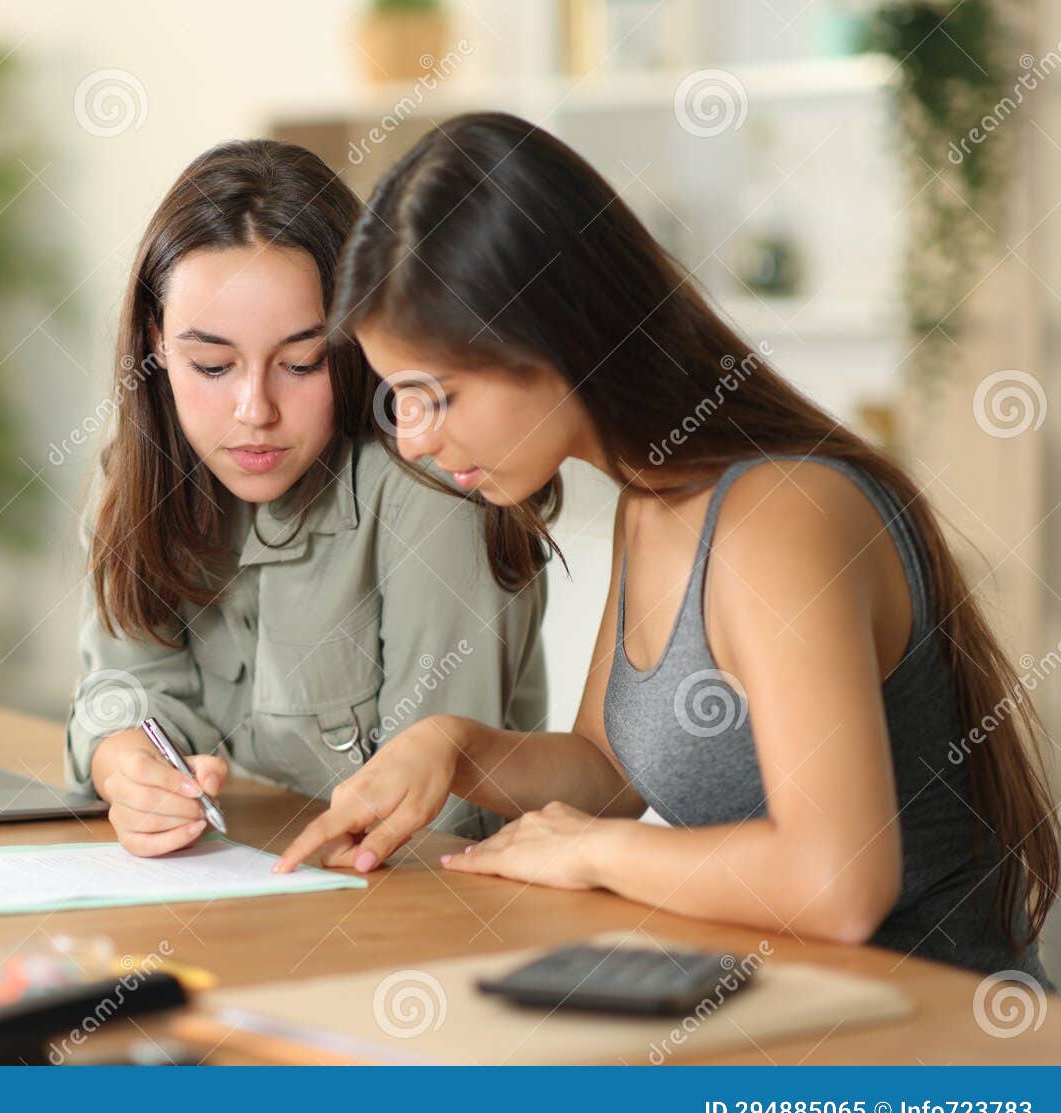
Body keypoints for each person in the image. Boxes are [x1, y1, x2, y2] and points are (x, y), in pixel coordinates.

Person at [278, 112, 1056, 981]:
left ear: (549, 338)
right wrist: (454, 747)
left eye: (436, 395)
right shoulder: (651, 501)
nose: (411, 438)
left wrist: (595, 855)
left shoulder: (777, 517)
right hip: (784, 1017)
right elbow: (612, 772)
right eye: (397, 398)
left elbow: (837, 883)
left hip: (931, 1057)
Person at [64, 138, 549, 859]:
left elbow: (438, 830)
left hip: (418, 916)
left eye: (301, 362)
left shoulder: (434, 491)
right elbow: (124, 691)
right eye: (212, 364)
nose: (254, 409)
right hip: (246, 886)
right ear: (156, 345)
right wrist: (127, 767)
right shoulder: (136, 474)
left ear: (356, 342)